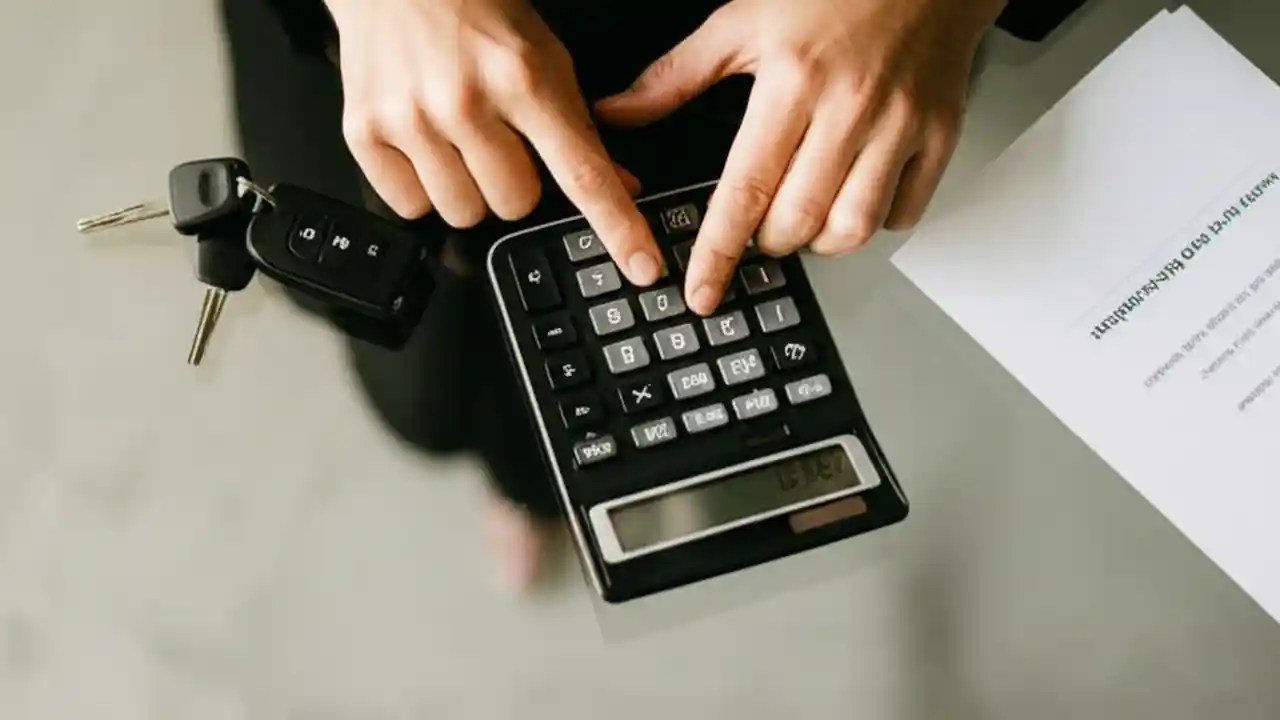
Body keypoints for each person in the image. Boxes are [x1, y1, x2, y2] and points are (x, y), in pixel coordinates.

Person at [227, 0, 1017, 594]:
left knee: (725, 297)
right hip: (378, 43)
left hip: (763, 42)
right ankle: (523, 482)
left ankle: (562, 483)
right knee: (417, 373)